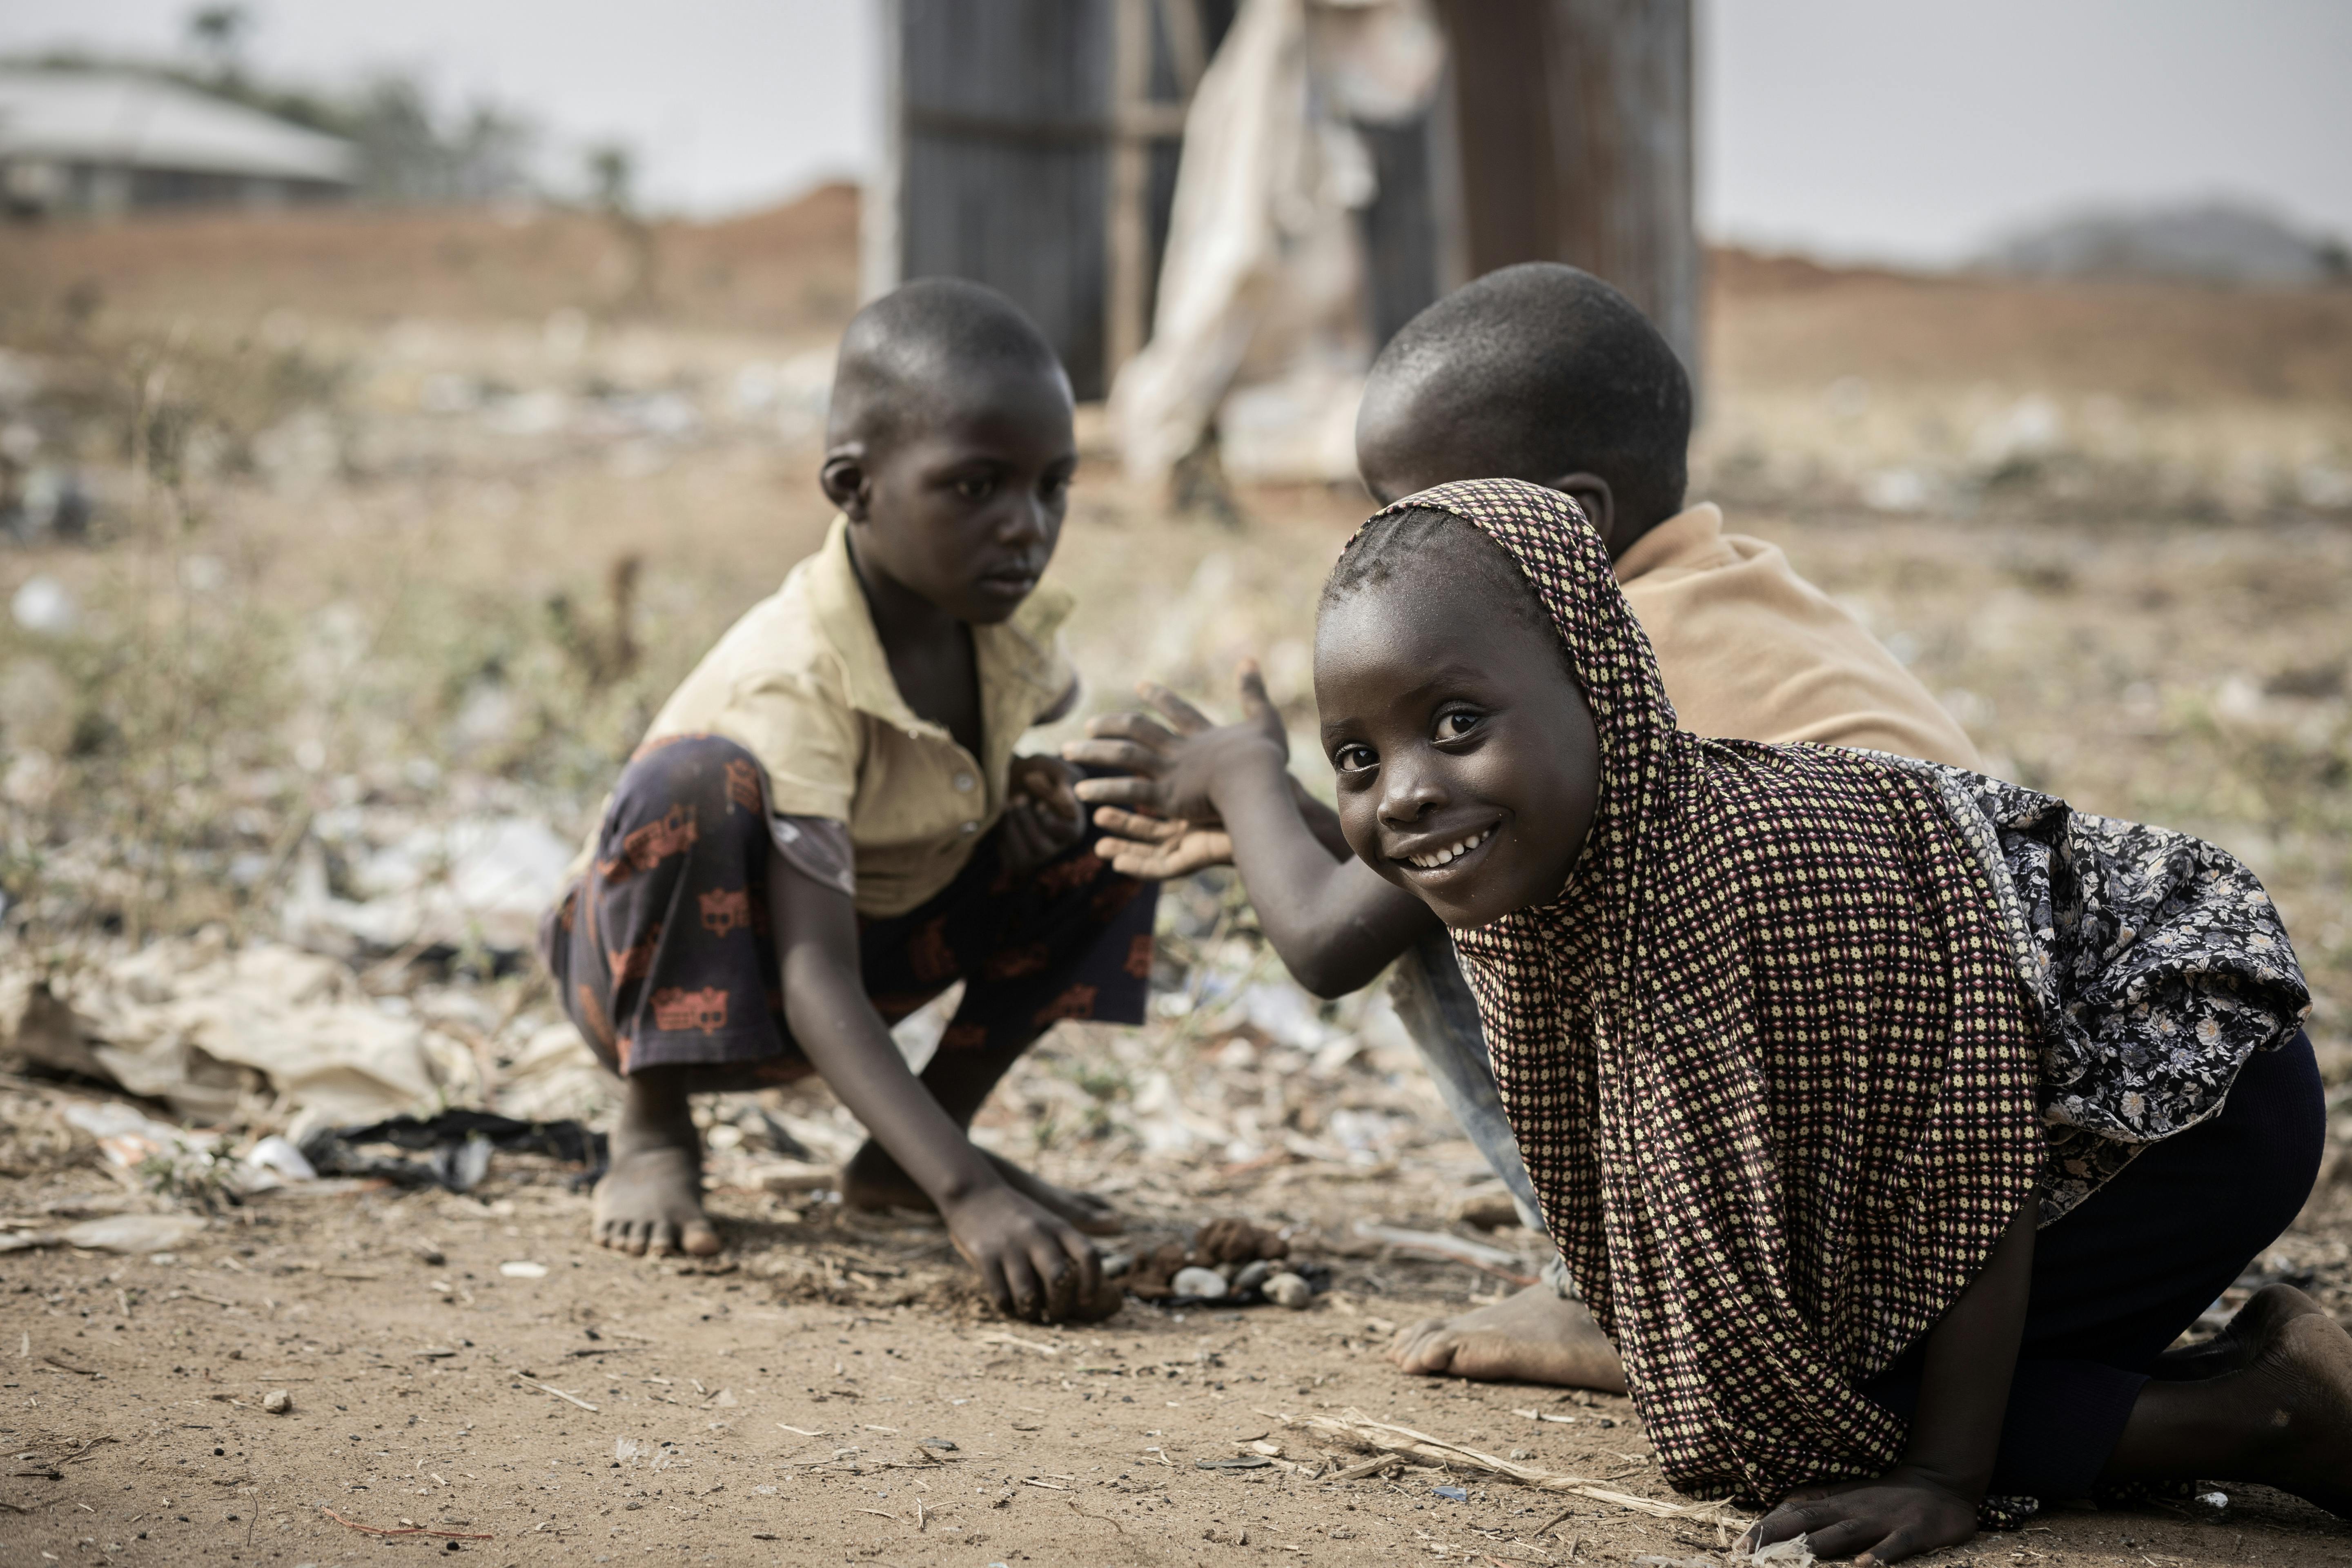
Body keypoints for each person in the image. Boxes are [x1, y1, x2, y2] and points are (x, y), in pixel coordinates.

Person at [1157, 476, 2343, 1561]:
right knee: (1757, 1401)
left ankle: (2273, 1414)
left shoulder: (1741, 881)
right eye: (1357, 759)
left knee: (1837, 1418)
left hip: (2194, 1103)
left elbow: (1974, 1150)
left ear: (1600, 684)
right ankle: (2221, 1375)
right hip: (2033, 1125)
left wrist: (1946, 1476)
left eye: (1458, 724)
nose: (1407, 792)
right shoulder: (1546, 888)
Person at [1065, 262, 1980, 1388]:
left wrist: (1243, 774)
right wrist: (1303, 826)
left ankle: (1613, 1290)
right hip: (1972, 1155)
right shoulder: (1743, 597)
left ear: (1572, 521)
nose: (1392, 544)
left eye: (1421, 511)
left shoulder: (1606, 672)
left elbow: (1328, 944)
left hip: (1865, 1192)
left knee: (1456, 914)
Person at [539, 279, 1154, 1323]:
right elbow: (810, 968)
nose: (1027, 527)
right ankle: (652, 1126)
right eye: (976, 487)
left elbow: (939, 792)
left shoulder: (1001, 625)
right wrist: (972, 1201)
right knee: (695, 781)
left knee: (1114, 811)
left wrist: (1015, 826)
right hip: (660, 980)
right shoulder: (793, 674)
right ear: (853, 488)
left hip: (859, 955)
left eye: (1053, 486)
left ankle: (905, 1155)